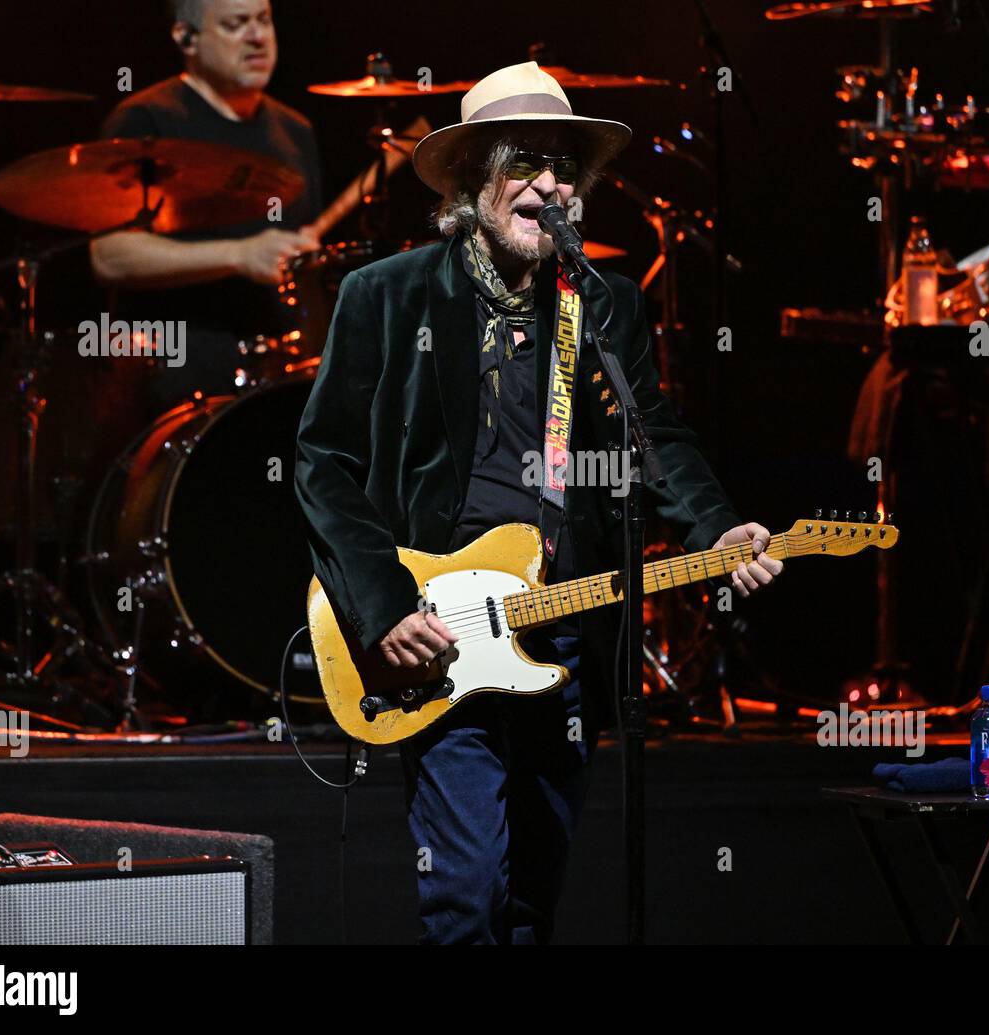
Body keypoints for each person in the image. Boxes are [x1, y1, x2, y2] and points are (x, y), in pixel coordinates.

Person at [295, 62, 783, 944]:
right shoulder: (388, 295)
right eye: (525, 164)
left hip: (564, 622)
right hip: (440, 627)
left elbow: (654, 438)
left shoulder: (600, 305)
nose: (549, 185)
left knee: (533, 897)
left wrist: (718, 528)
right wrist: (384, 610)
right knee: (468, 891)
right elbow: (322, 461)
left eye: (565, 168)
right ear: (475, 180)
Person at [90, 0, 322, 408]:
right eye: (235, 25)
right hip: (177, 376)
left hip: (277, 374)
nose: (257, 38)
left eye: (263, 21)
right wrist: (239, 254)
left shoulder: (294, 130)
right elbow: (110, 256)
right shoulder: (145, 122)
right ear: (186, 37)